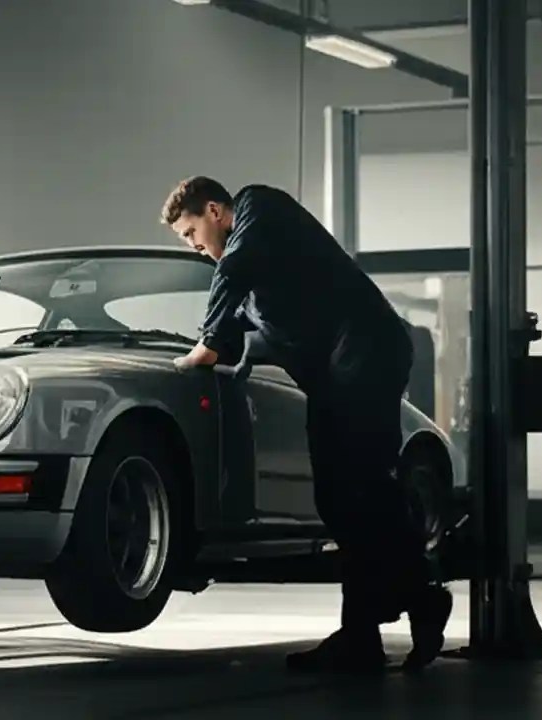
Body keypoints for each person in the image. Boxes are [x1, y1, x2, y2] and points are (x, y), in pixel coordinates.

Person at [161, 176, 452, 674]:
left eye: (190, 233)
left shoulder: (259, 207)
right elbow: (239, 329)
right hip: (338, 374)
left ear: (214, 210)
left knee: (360, 485)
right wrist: (201, 354)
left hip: (367, 351)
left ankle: (413, 598)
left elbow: (233, 269)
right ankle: (375, 625)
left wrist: (205, 343)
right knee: (339, 496)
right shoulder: (253, 289)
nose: (195, 247)